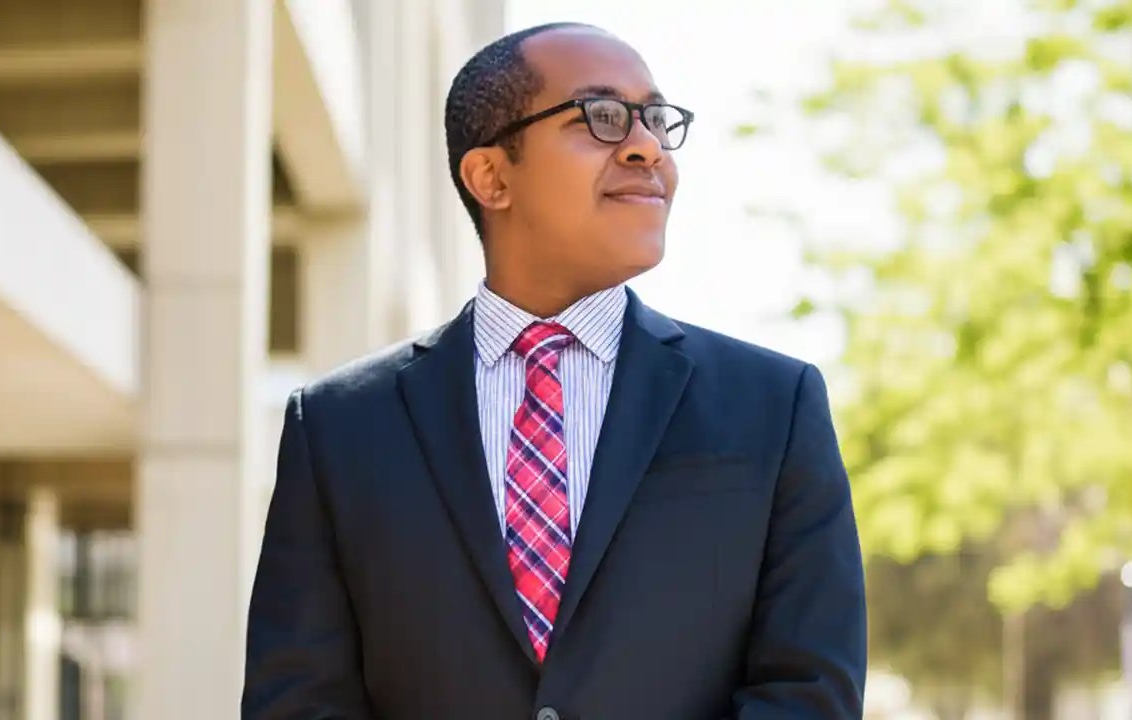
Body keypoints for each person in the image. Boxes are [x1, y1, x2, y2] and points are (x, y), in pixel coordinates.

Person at [243, 21, 866, 720]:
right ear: (491, 176)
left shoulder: (774, 408)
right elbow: (297, 701)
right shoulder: (338, 428)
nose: (646, 147)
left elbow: (809, 692)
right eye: (601, 118)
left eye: (656, 121)